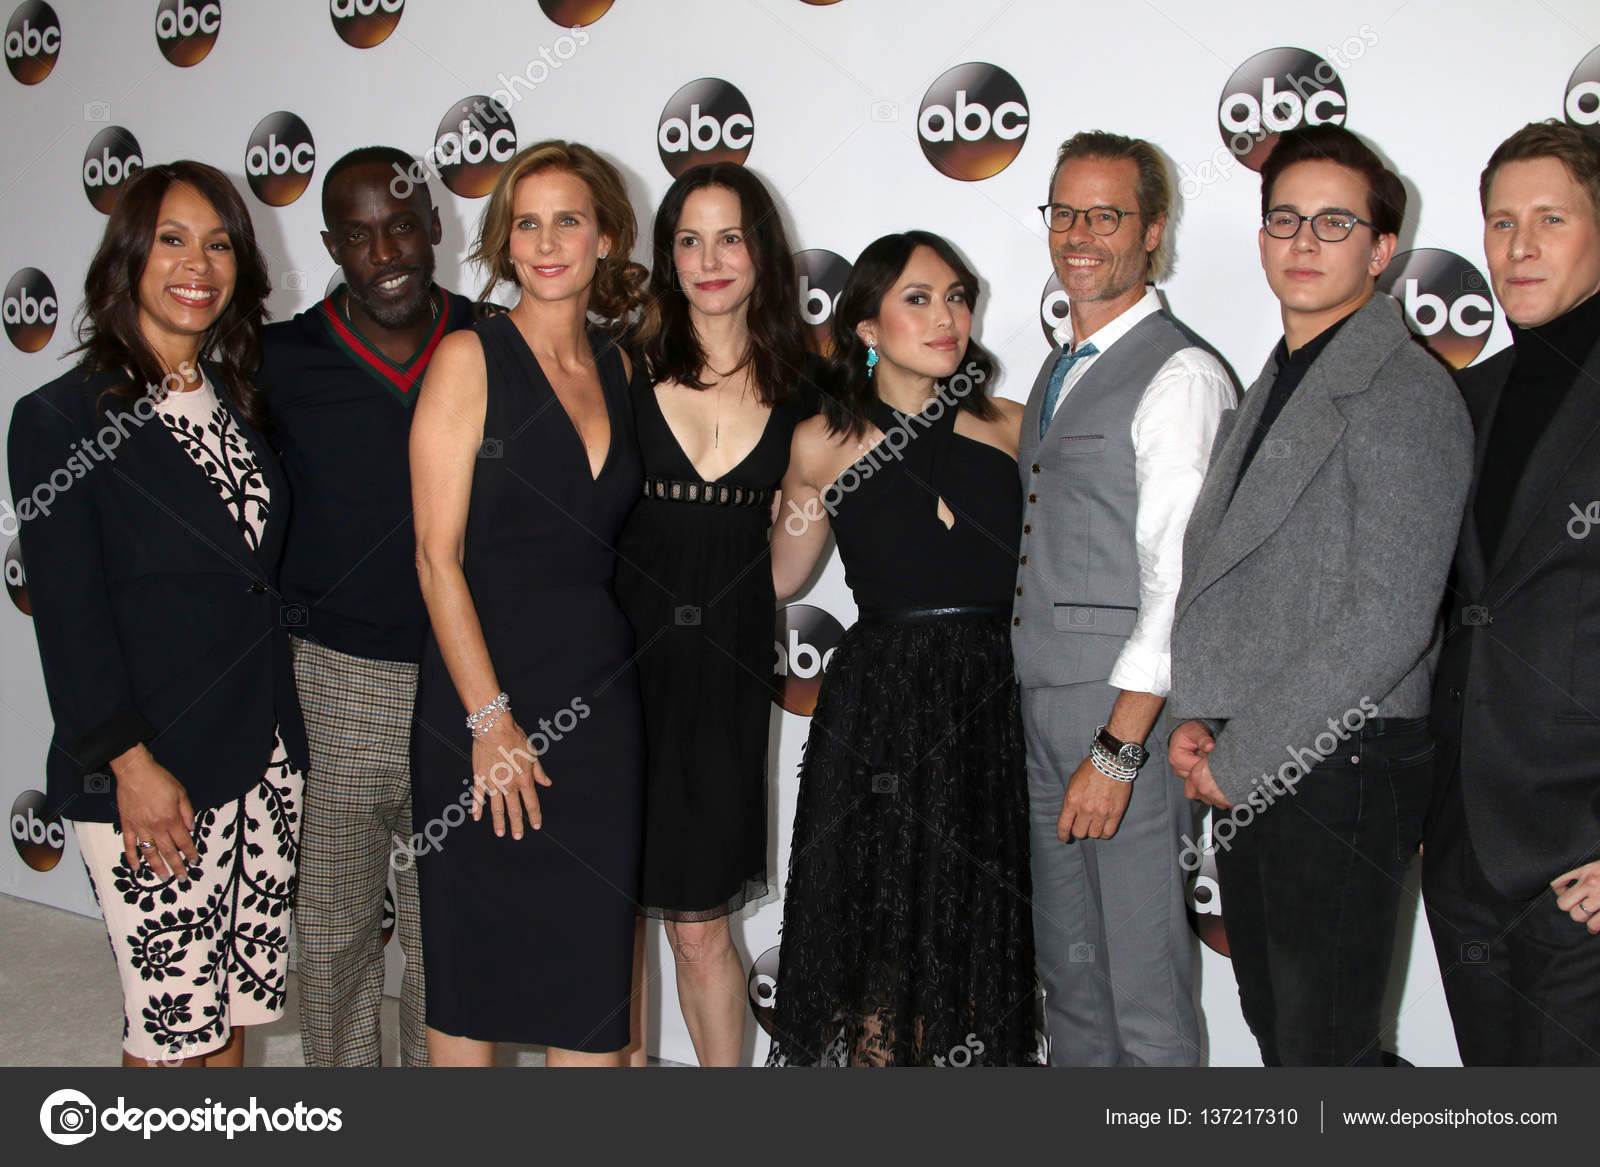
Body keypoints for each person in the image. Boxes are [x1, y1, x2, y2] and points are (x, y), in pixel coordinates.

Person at [1166, 124, 1473, 1066]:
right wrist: (1201, 714)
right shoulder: (1283, 377)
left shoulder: (1402, 390)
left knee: (1324, 1050)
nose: (1302, 241)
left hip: (1338, 765)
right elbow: (1246, 577)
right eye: (1284, 219)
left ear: (1382, 250)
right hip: (1265, 759)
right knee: (1289, 1035)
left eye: (1334, 222)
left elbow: (1387, 615)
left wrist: (1246, 751)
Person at [7, 161, 307, 1066]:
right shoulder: (59, 417)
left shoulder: (238, 405)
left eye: (218, 243)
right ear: (129, 257)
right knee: (172, 1031)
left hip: (262, 756)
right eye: (172, 239)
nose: (198, 263)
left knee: (231, 1015)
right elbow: (67, 611)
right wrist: (130, 763)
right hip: (151, 771)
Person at [767, 231, 1037, 1066]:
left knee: (978, 931)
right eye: (918, 298)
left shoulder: (1016, 427)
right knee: (882, 932)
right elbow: (780, 577)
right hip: (883, 702)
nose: (947, 315)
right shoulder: (821, 441)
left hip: (994, 695)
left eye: (957, 295)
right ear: (867, 327)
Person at [409, 140, 650, 1067]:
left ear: (606, 237)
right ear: (505, 243)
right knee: (474, 974)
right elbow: (436, 558)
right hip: (483, 694)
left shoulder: (619, 369)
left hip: (599, 694)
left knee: (590, 984)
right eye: (527, 222)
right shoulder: (470, 356)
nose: (547, 242)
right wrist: (490, 717)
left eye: (569, 219)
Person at [1014, 130, 1233, 1067]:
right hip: (1042, 705)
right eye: (1065, 211)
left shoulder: (1181, 374)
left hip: (1123, 722)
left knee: (1142, 993)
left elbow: (1179, 581)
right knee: (1072, 986)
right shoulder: (1062, 367)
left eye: (1106, 214)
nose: (1079, 233)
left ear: (1152, 231)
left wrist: (1117, 746)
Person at [257, 146, 478, 1068]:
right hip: (334, 679)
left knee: (448, 934)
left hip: (466, 675)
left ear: (434, 224)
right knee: (337, 927)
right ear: (330, 246)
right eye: (358, 234)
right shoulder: (278, 359)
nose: (385, 250)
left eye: (399, 225)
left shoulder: (490, 340)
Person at [614, 163, 814, 1066]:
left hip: (723, 676)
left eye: (728, 236)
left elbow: (783, 576)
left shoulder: (803, 389)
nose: (709, 259)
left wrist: (813, 491)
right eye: (688, 240)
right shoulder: (621, 366)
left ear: (760, 250)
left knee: (699, 931)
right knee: (605, 923)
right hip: (611, 672)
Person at [1424, 120, 1600, 1065]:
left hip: (1584, 860)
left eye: (1551, 219)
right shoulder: (1465, 397)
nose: (1519, 247)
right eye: (1500, 223)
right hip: (1464, 858)